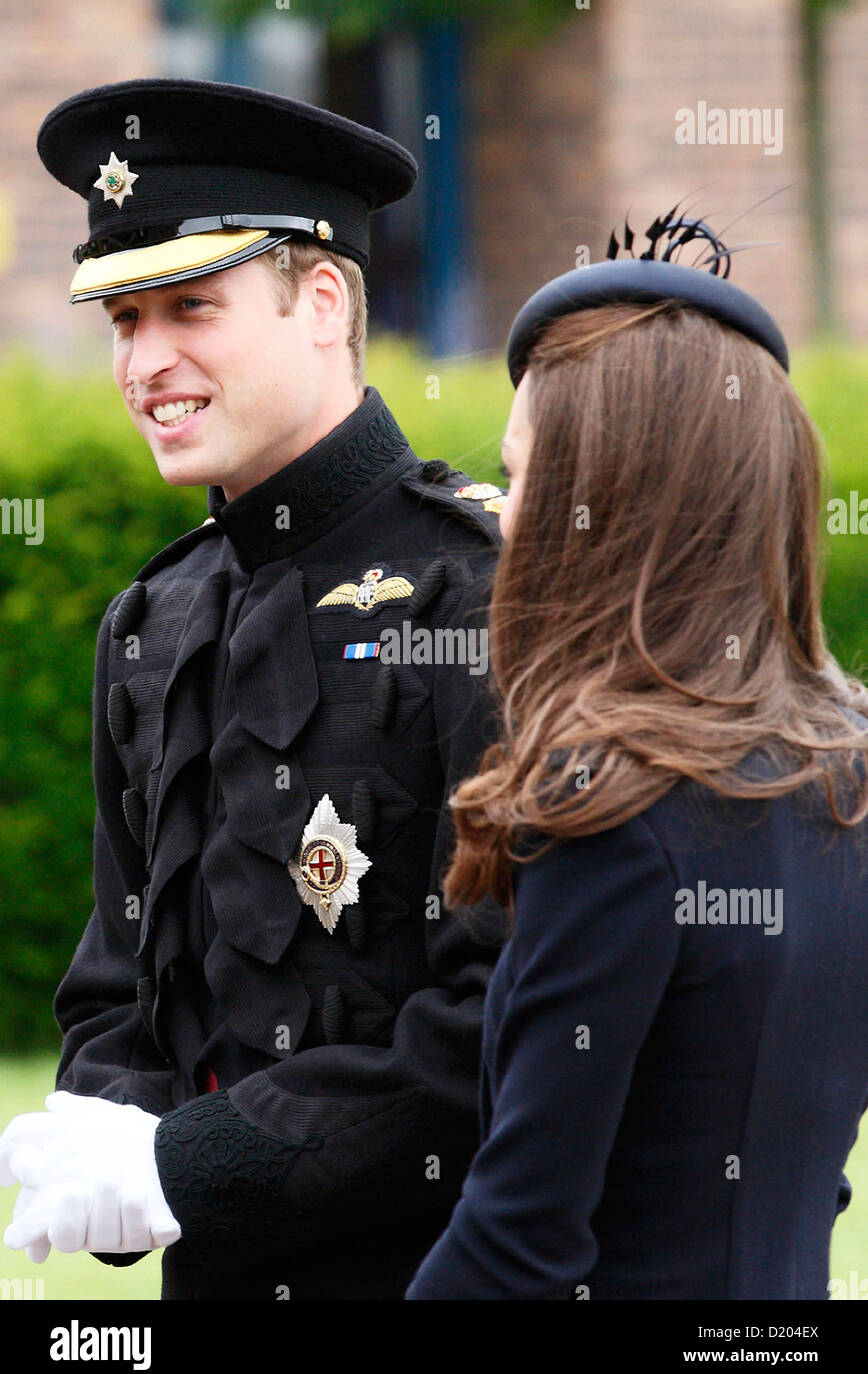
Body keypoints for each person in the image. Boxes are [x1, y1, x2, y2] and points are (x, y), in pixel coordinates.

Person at [0, 77, 509, 1301]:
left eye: (191, 307)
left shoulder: (481, 593)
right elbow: (118, 977)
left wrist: (190, 1161)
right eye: (123, 320)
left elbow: (499, 1010)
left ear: (321, 298)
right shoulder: (152, 619)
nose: (147, 361)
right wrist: (104, 1143)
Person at [405, 213, 868, 1299]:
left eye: (522, 481)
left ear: (605, 507)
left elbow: (519, 1241)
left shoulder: (614, 804)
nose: (502, 521)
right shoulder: (843, 770)